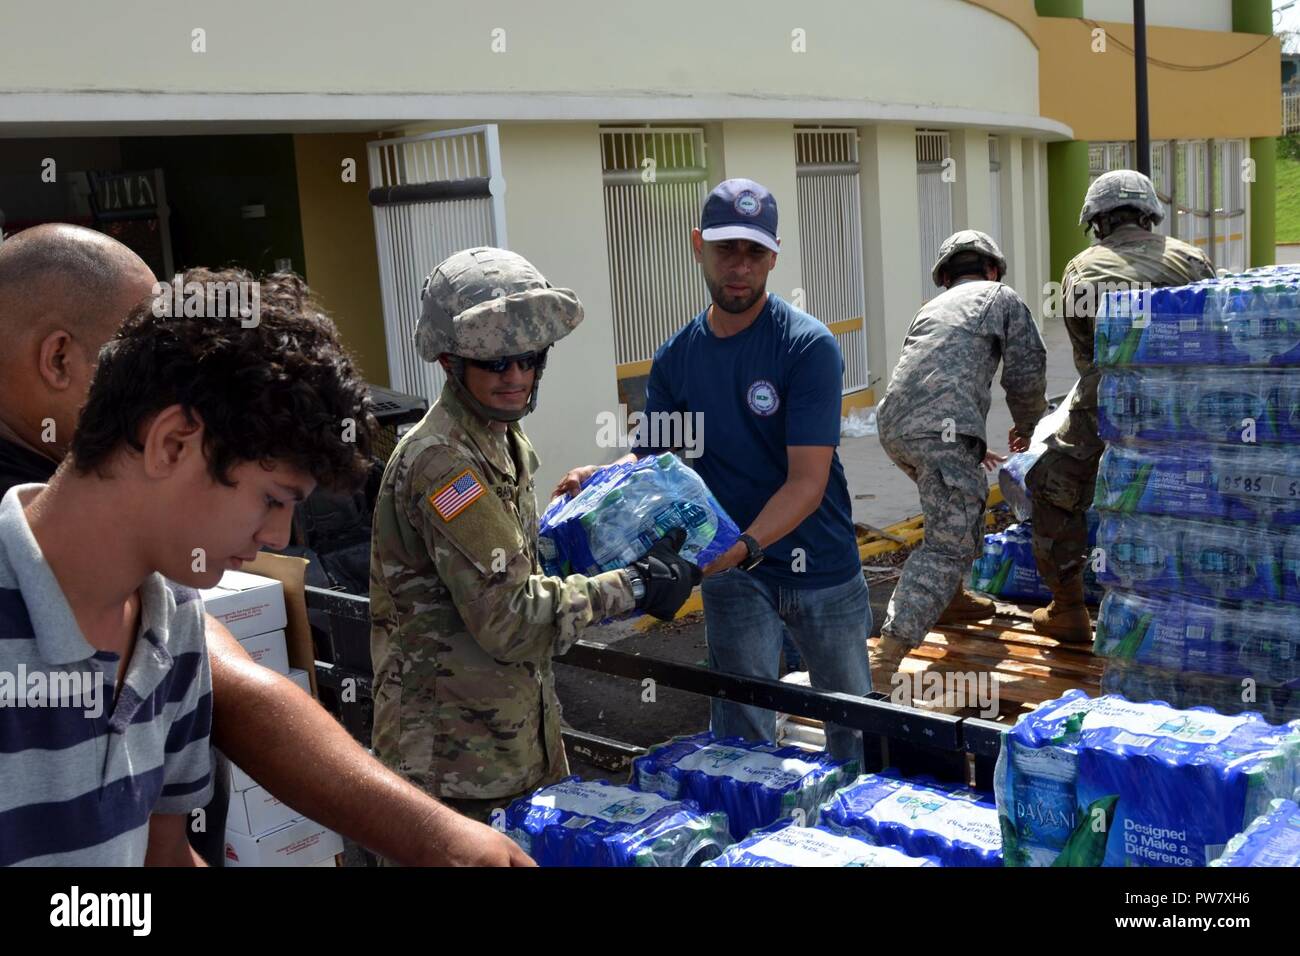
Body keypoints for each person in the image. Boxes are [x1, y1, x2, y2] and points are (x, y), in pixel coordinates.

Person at [0, 225, 531, 866]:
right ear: (172, 443)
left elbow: (161, 856)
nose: (277, 540)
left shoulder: (172, 623)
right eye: (273, 500)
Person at [370, 246, 697, 827]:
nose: (516, 376)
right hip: (454, 771)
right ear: (451, 362)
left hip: (513, 744)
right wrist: (632, 586)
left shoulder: (499, 437)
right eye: (496, 364)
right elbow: (512, 619)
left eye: (529, 358)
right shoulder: (444, 463)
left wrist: (590, 526)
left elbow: (510, 566)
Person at [559, 179, 871, 766]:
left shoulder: (807, 348)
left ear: (774, 256)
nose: (740, 267)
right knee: (740, 730)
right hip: (732, 572)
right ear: (698, 246)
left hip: (818, 565)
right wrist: (598, 480)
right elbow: (655, 458)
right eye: (727, 248)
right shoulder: (679, 358)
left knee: (850, 721)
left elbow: (807, 481)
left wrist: (744, 546)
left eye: (754, 252)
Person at [1026, 170, 1215, 641]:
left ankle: (1068, 609)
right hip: (1192, 403)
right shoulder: (1192, 258)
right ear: (1149, 215)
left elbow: (1088, 355)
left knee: (1051, 484)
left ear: (1097, 222)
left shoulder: (1082, 268)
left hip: (1115, 398)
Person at [871, 230, 1047, 686]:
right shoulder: (1000, 296)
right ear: (991, 269)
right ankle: (887, 656)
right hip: (938, 432)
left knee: (954, 512)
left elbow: (926, 378)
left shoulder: (930, 309)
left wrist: (967, 442)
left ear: (945, 276)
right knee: (948, 543)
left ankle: (952, 600)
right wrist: (1031, 429)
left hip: (896, 428)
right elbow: (1026, 372)